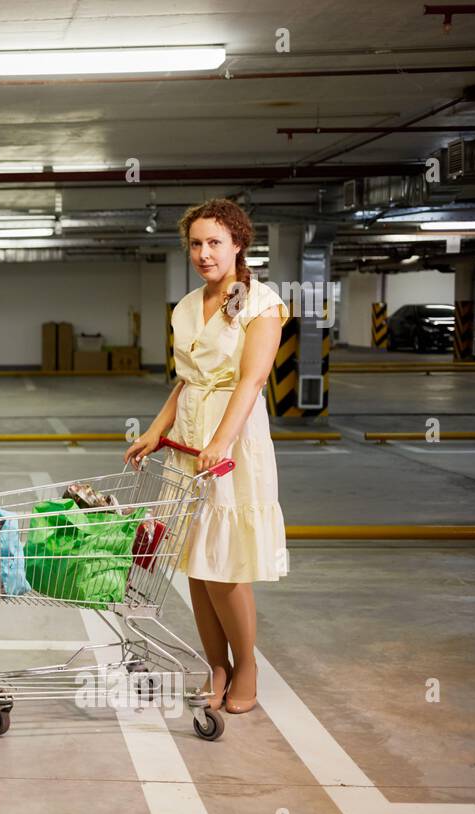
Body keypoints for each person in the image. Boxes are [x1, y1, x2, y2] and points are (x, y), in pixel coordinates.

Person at [123, 198, 290, 715]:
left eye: (215, 242)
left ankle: (248, 667)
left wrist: (220, 440)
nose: (203, 252)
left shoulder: (260, 303)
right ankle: (216, 667)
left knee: (225, 562)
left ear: (239, 244)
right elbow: (187, 380)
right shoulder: (186, 306)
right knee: (195, 564)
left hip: (231, 441)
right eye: (195, 243)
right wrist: (156, 430)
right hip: (188, 441)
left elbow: (253, 378)